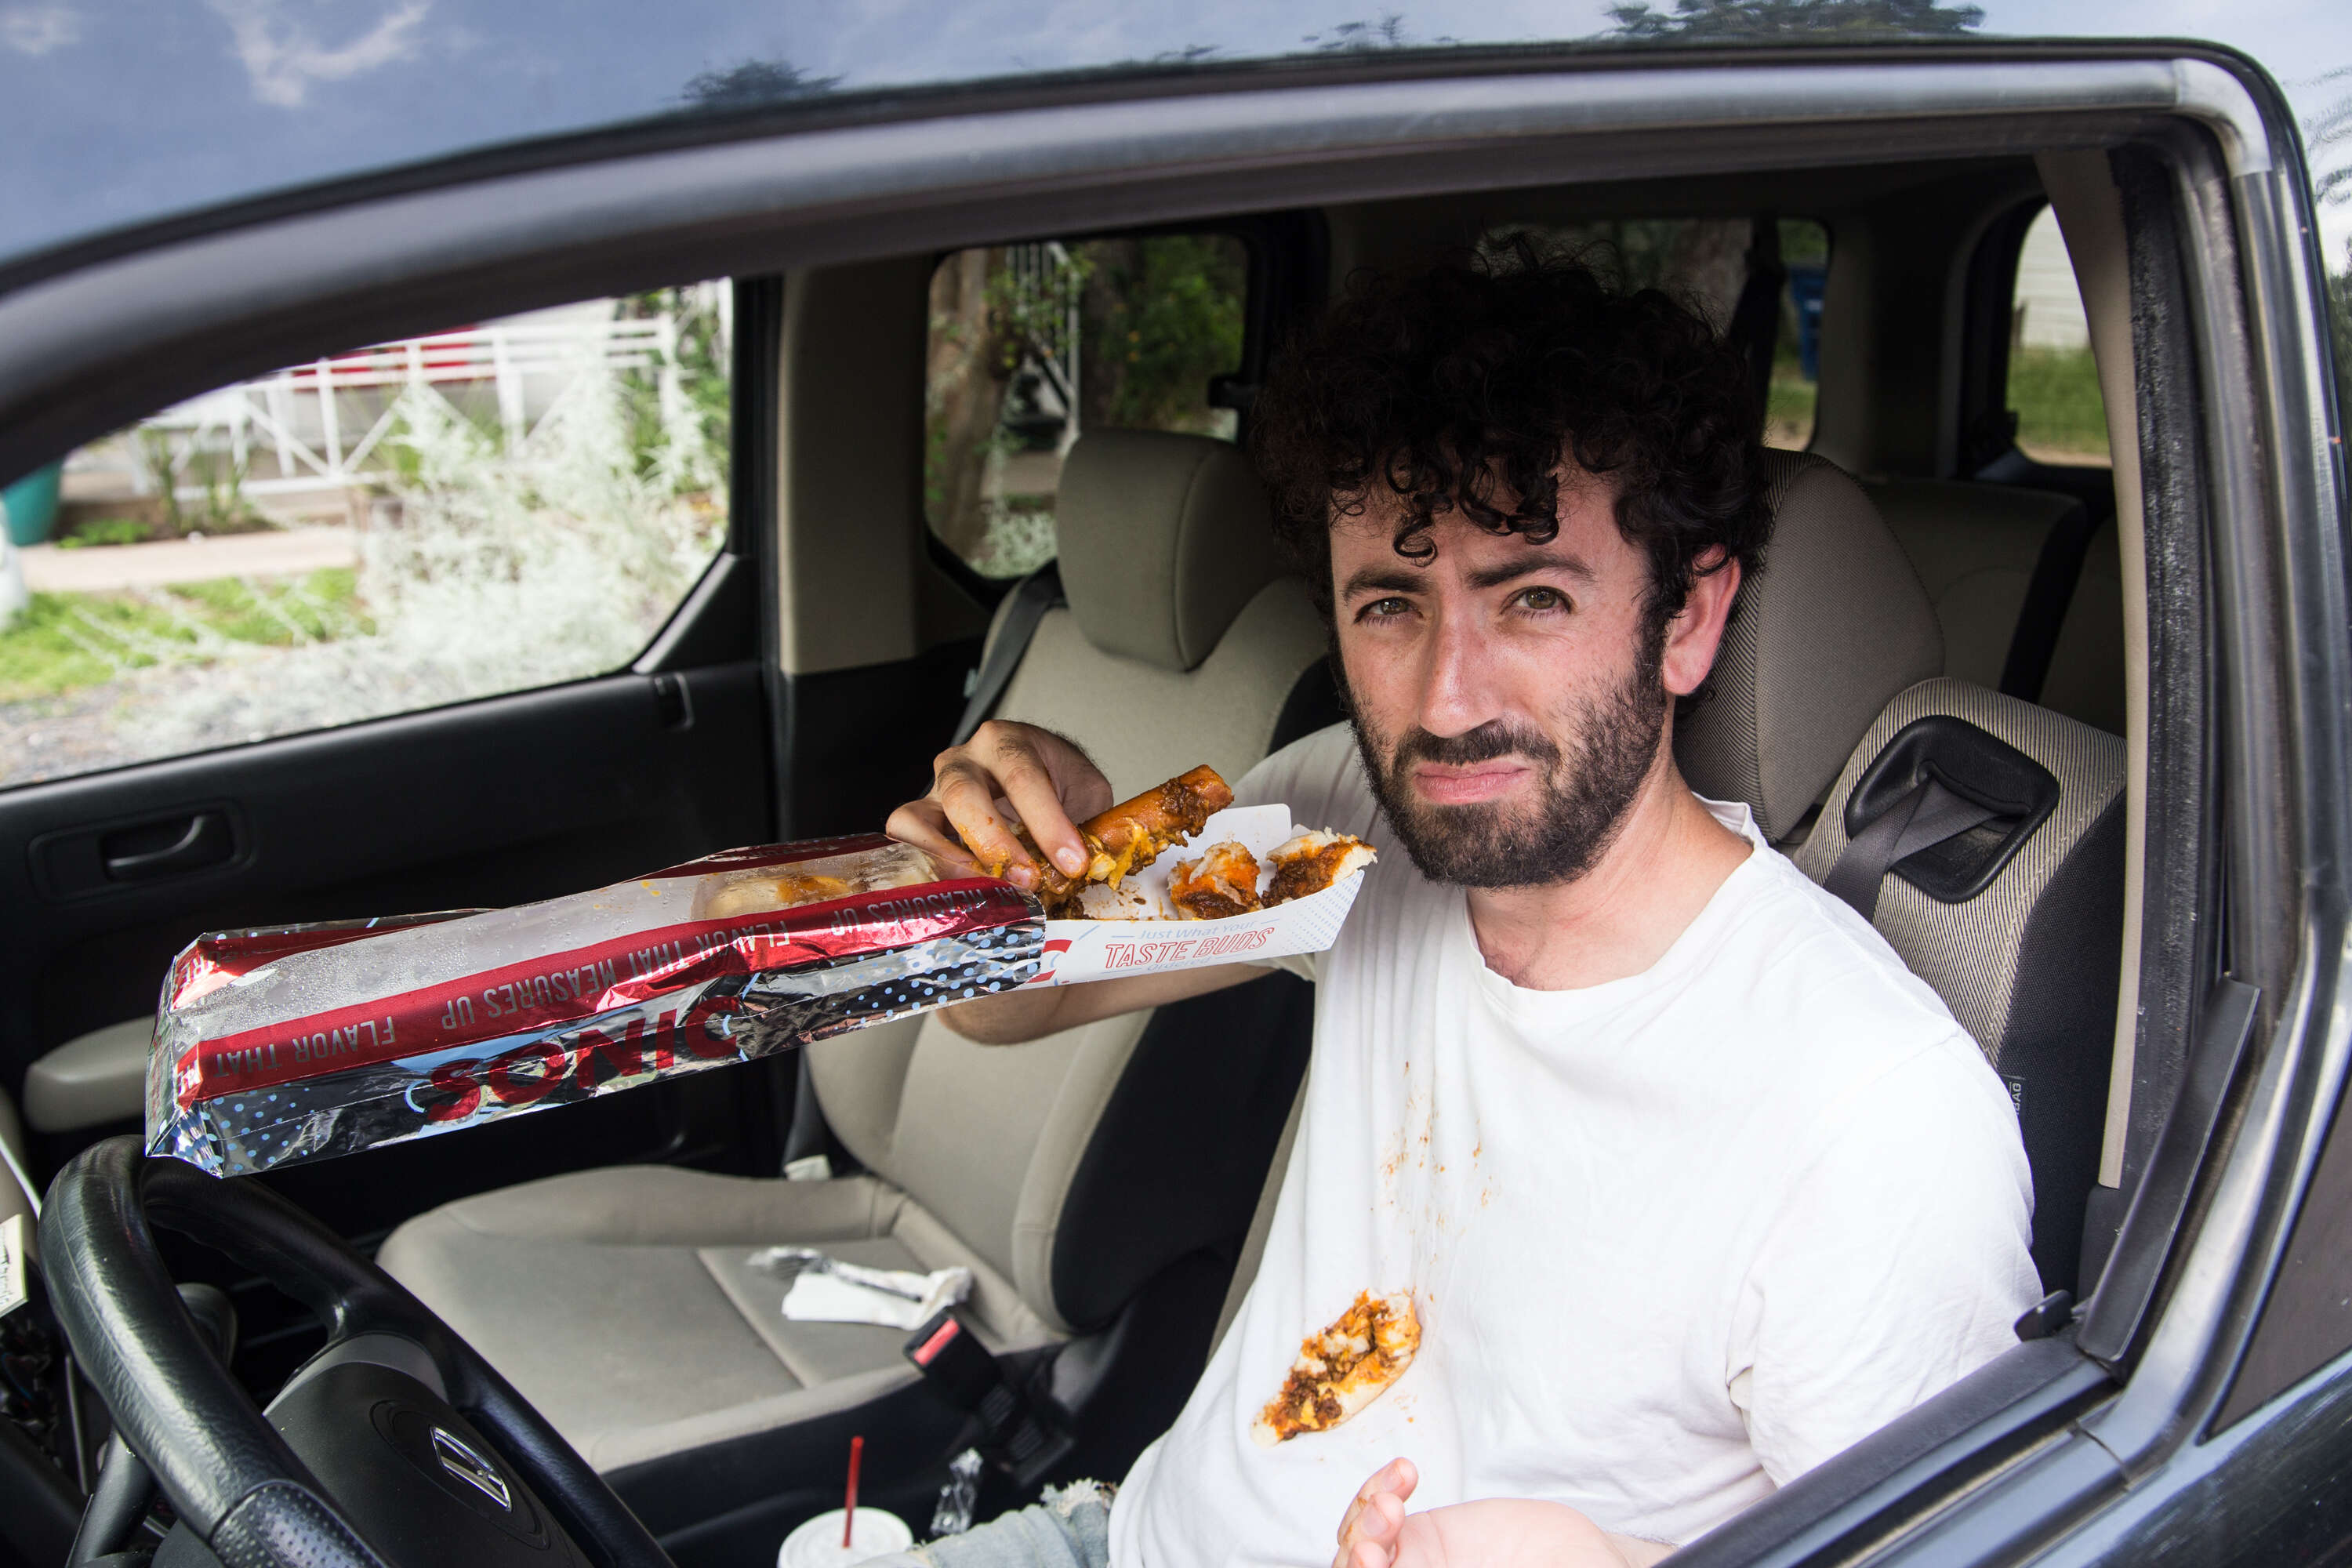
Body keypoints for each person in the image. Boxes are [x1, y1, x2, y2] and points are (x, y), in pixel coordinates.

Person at [879, 241, 2038, 1568]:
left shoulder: (1875, 1121)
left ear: (1687, 619)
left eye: (1533, 598)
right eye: (1391, 604)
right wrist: (1023, 880)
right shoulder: (1350, 820)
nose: (1445, 701)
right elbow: (1010, 1004)